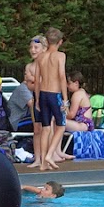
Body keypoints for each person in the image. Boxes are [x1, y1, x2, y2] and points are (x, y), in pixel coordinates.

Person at [34, 28, 68, 170]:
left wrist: (37, 100)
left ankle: (43, 164)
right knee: (61, 125)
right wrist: (65, 99)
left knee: (45, 128)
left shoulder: (41, 57)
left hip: (43, 94)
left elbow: (37, 80)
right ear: (60, 42)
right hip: (55, 94)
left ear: (46, 41)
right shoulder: (60, 55)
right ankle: (49, 154)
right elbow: (61, 76)